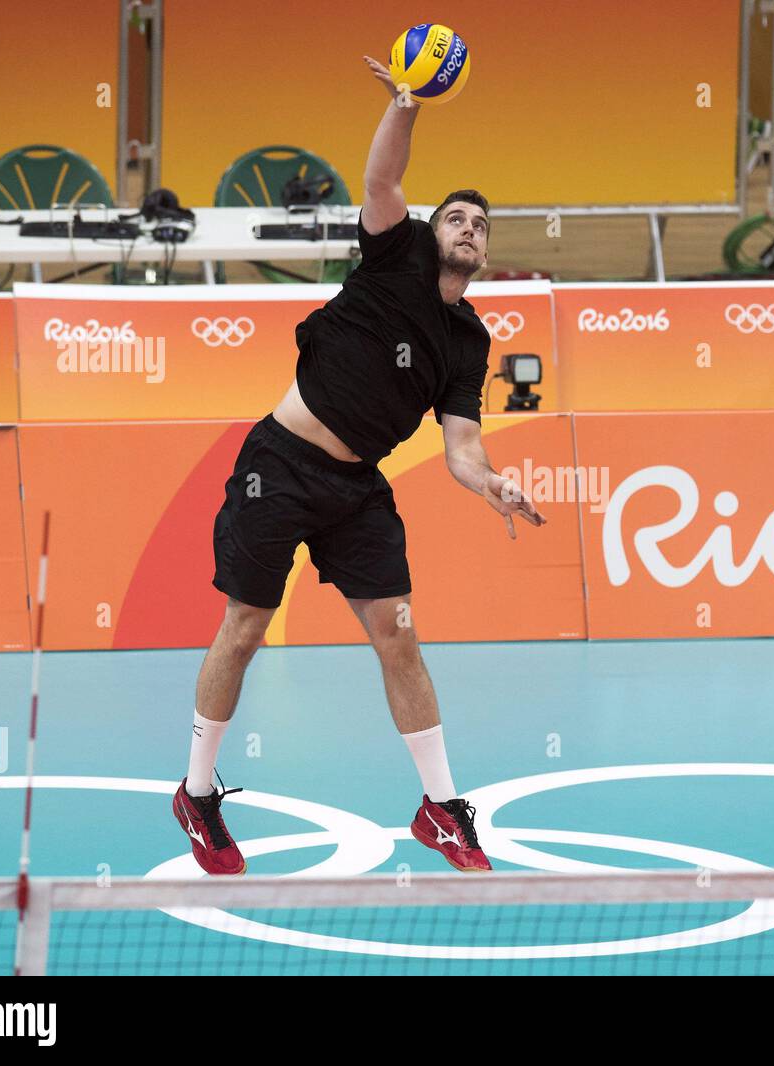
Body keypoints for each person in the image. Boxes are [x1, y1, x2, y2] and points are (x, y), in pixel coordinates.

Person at [172, 54, 545, 875]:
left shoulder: (469, 340)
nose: (469, 230)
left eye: (481, 225)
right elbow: (383, 178)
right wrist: (407, 106)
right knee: (245, 628)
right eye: (457, 218)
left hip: (355, 491)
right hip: (281, 462)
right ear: (433, 230)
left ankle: (441, 809)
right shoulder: (396, 252)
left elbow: (461, 445)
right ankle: (196, 793)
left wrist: (490, 484)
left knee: (400, 637)